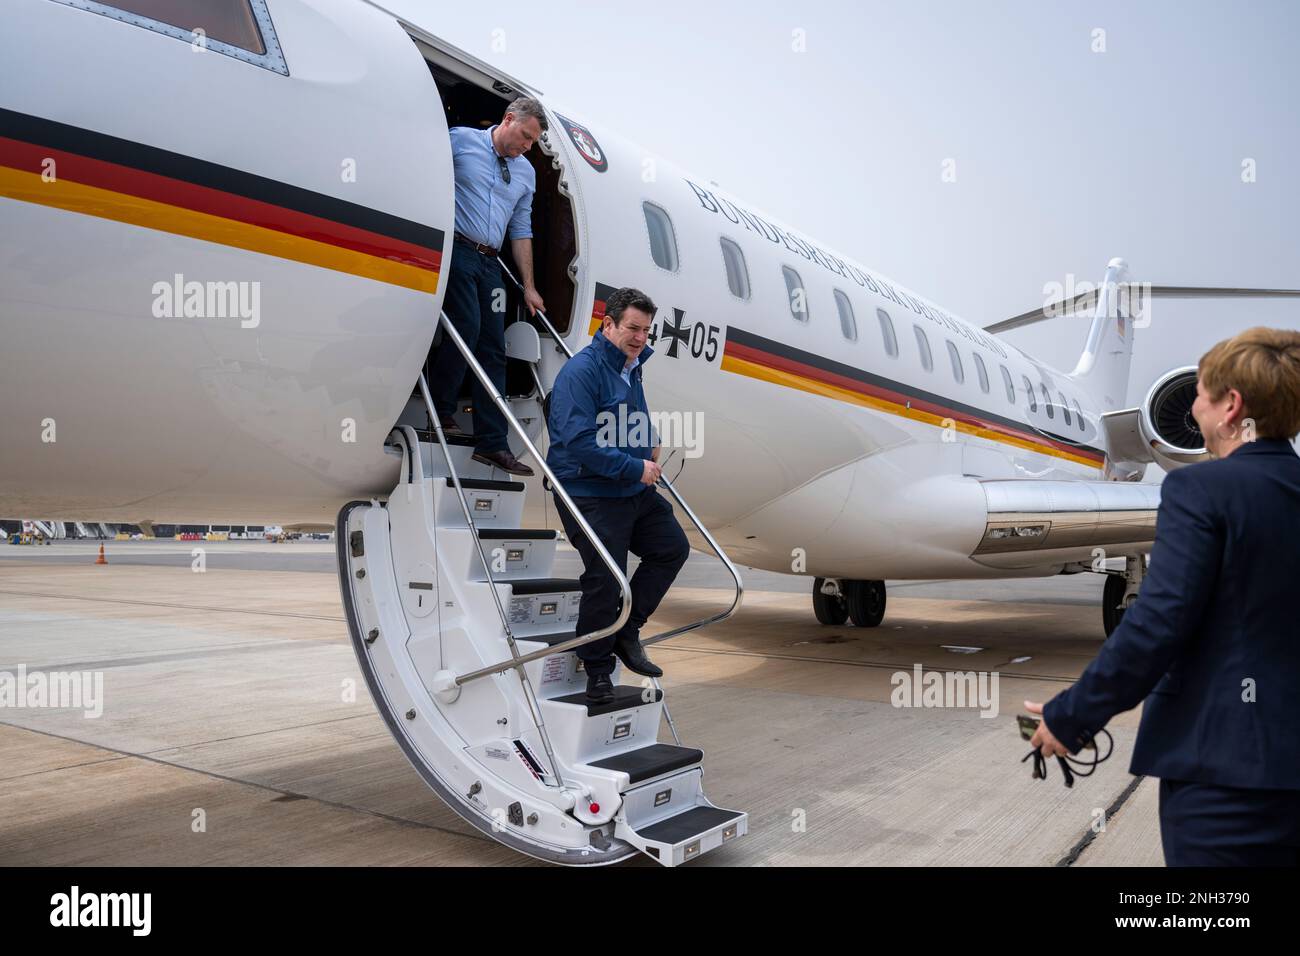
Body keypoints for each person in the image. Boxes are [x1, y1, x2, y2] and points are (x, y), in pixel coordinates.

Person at [1026, 326, 1300, 866]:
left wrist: (1072, 715)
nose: (1192, 405)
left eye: (1199, 392)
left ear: (1231, 406)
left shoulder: (1200, 491)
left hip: (1227, 779)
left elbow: (1160, 621)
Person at [546, 287, 691, 703]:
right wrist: (635, 466)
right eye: (632, 328)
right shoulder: (582, 371)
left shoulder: (632, 366)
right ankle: (596, 670)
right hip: (588, 490)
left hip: (630, 487)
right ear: (607, 324)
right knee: (605, 579)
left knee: (671, 548)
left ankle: (626, 631)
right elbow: (578, 442)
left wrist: (651, 440)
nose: (640, 337)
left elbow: (629, 417)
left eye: (646, 330)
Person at [428, 97, 548, 476]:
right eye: (526, 137)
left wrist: (529, 286)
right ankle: (441, 409)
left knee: (494, 348)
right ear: (508, 119)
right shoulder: (458, 141)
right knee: (466, 328)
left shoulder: (526, 172)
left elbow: (521, 228)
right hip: (460, 249)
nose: (527, 147)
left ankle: (492, 444)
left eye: (533, 142)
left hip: (491, 262)